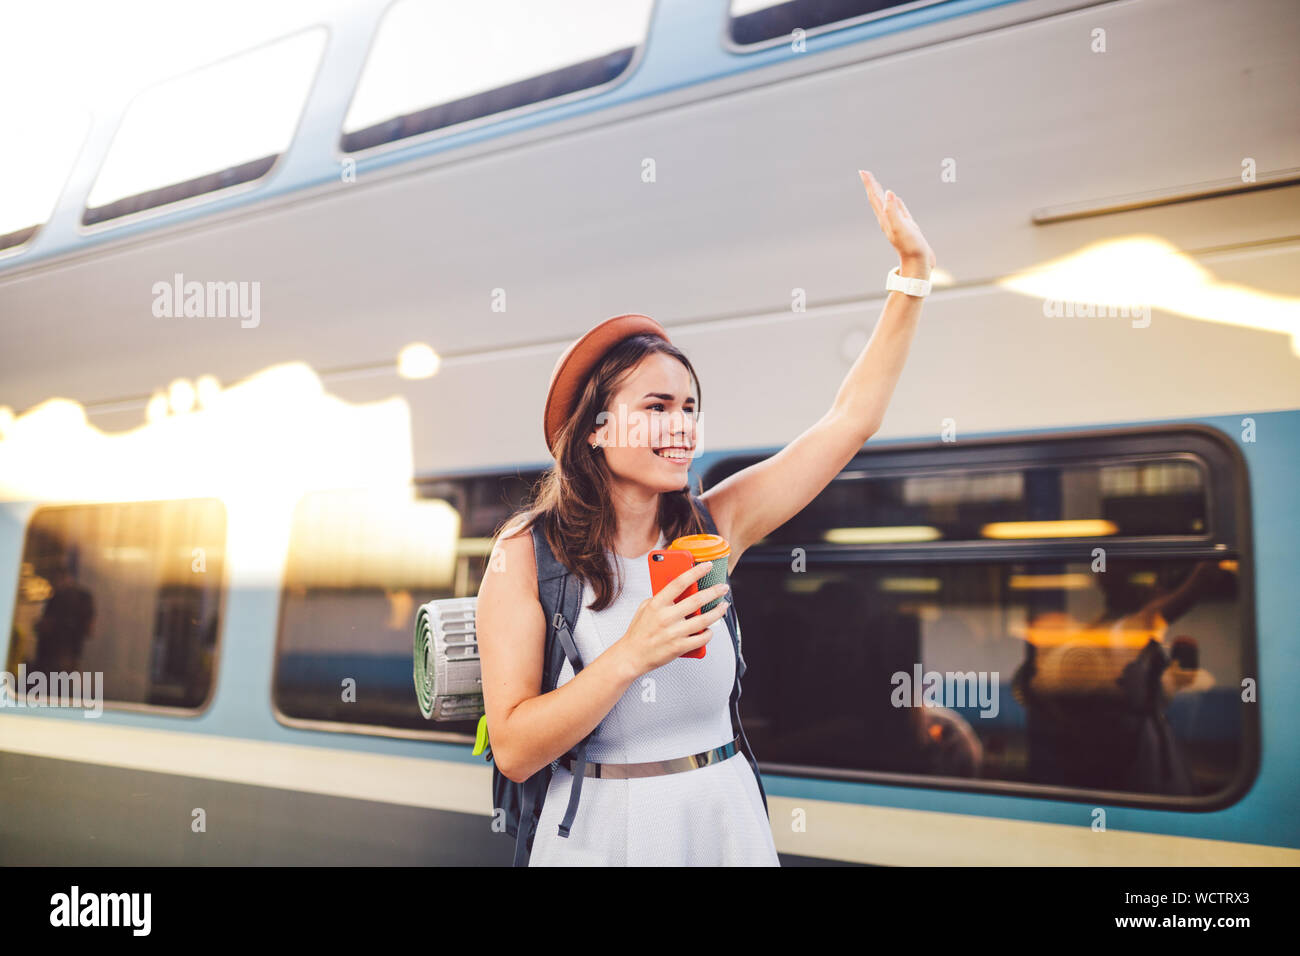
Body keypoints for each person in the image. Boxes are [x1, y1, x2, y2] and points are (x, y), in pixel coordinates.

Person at [476, 170, 934, 865]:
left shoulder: (714, 526)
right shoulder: (525, 553)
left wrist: (913, 276)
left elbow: (850, 420)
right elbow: (512, 748)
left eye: (689, 408)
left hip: (722, 821)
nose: (682, 425)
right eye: (656, 408)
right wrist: (632, 653)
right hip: (599, 835)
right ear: (596, 429)